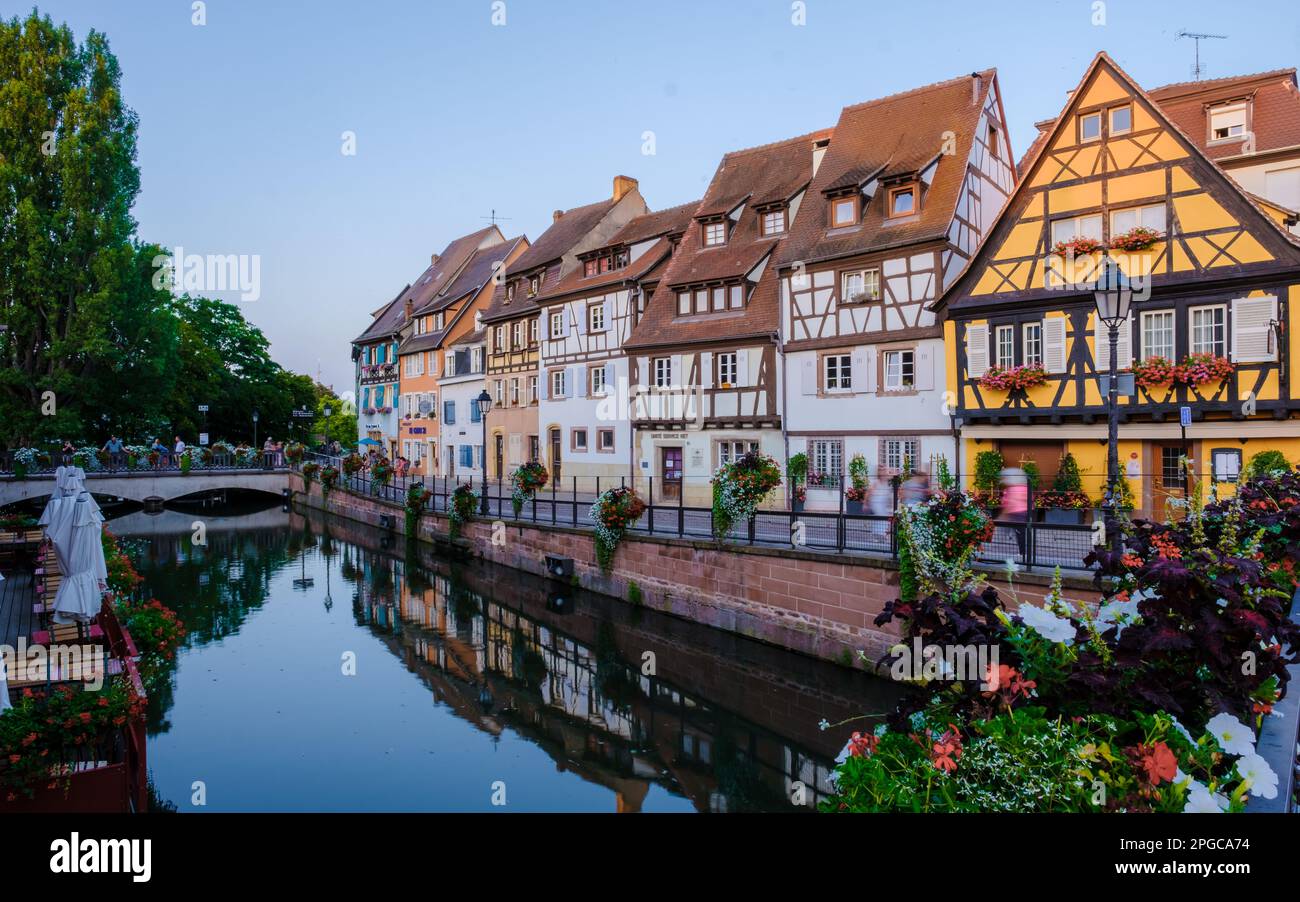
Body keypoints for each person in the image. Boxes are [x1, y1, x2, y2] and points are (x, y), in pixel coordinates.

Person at [998, 467, 1030, 562]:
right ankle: (1023, 552)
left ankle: (1022, 553)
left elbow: (1008, 502)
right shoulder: (1025, 487)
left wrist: (1004, 513)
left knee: (1018, 533)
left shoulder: (1012, 489)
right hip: (1024, 512)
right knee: (1021, 533)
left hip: (1015, 513)